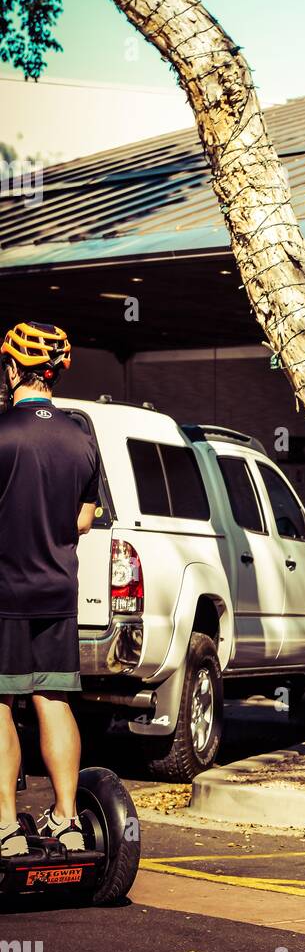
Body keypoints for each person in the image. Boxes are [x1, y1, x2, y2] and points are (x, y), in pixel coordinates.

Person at [0, 321, 98, 858]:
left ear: (13, 369)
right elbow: (83, 520)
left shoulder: (1, 433)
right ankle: (66, 819)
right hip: (57, 591)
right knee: (53, 699)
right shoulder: (80, 434)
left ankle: (6, 829)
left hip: (4, 592)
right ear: (55, 374)